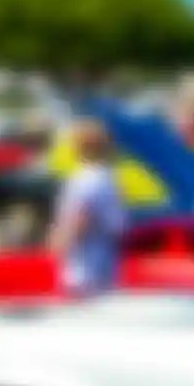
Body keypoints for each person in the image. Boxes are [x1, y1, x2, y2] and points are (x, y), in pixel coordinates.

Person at [48, 120, 125, 296]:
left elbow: (81, 217)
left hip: (84, 268)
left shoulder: (85, 180)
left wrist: (59, 243)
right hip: (106, 264)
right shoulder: (108, 178)